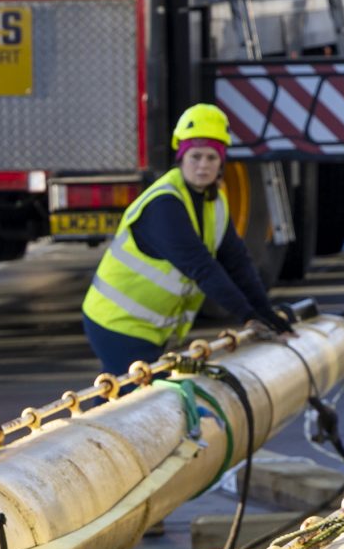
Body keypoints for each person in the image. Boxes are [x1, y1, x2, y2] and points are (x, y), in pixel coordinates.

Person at [82, 103, 296, 373]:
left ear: (222, 162)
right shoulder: (164, 205)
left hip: (151, 327)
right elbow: (202, 268)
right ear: (181, 157)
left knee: (126, 404)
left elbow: (237, 261)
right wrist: (248, 316)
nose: (203, 166)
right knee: (138, 406)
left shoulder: (214, 201)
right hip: (117, 324)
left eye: (211, 158)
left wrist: (266, 313)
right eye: (195, 157)